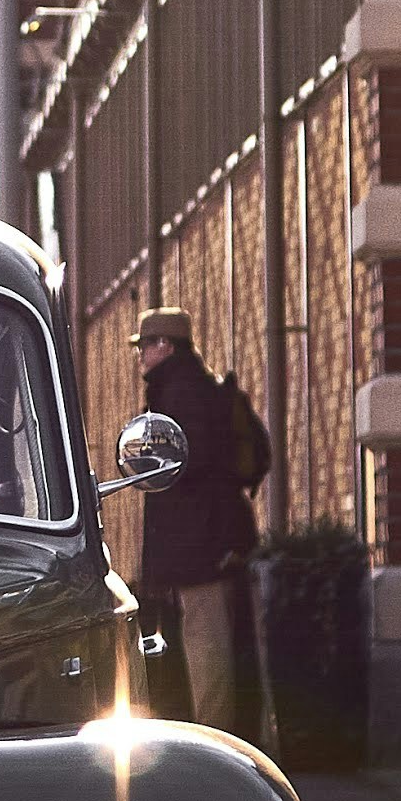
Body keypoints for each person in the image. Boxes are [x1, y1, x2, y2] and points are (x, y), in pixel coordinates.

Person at [130, 307, 271, 745]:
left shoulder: (182, 394)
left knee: (206, 645)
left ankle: (218, 745)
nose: (140, 359)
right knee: (206, 642)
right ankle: (218, 738)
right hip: (206, 541)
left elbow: (189, 467)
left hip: (200, 547)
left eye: (144, 347)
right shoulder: (188, 390)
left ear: (165, 347)